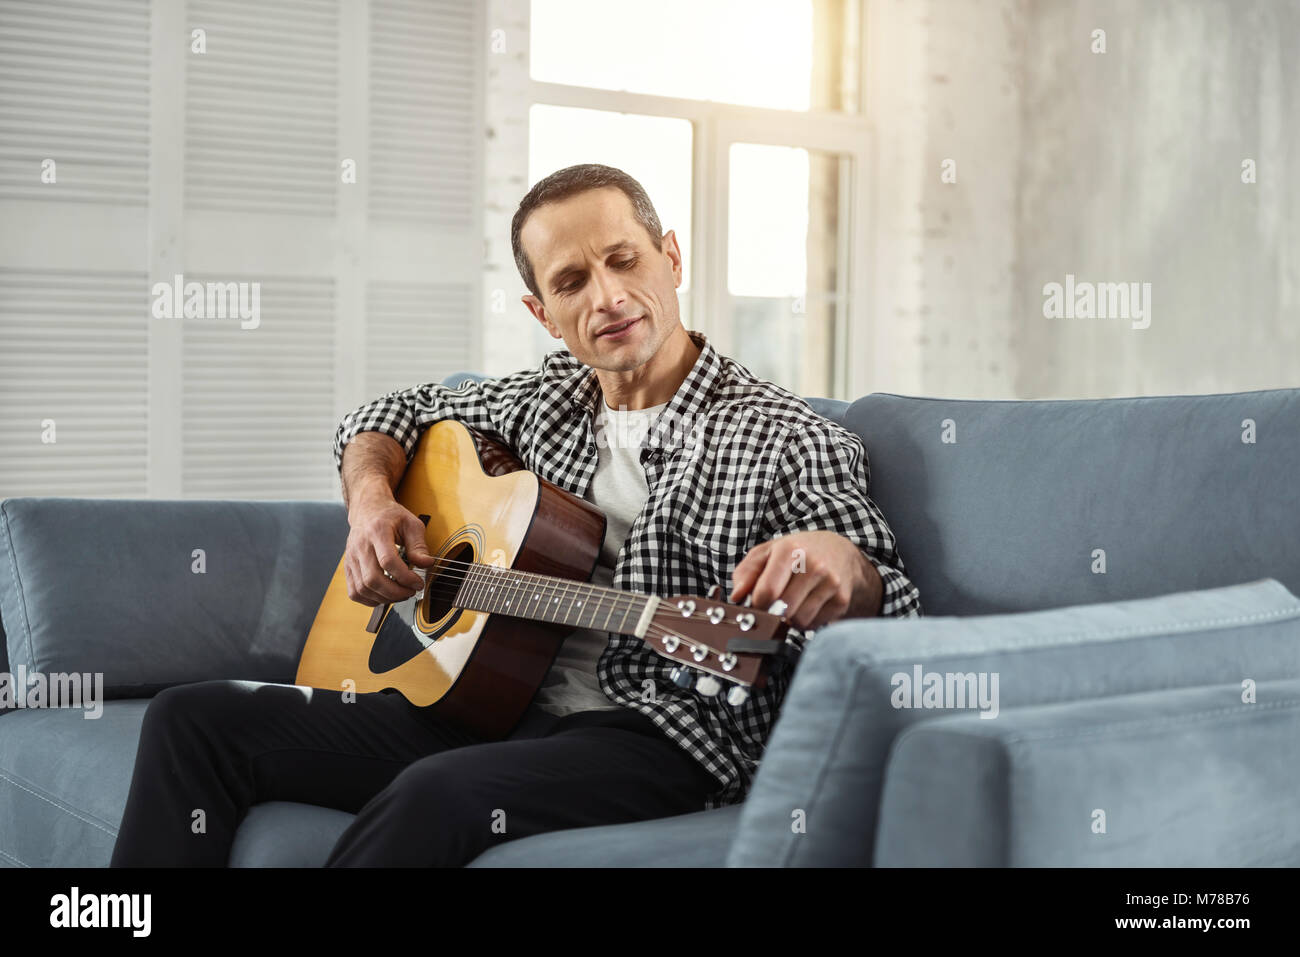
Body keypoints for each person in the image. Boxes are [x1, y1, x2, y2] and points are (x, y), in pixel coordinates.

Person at [110, 163, 921, 868]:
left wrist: (837, 566)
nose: (607, 296)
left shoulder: (787, 436)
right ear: (543, 313)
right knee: (197, 717)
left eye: (623, 260)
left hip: (654, 731)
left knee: (434, 795)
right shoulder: (541, 400)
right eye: (571, 281)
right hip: (484, 703)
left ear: (671, 258)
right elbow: (387, 412)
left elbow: (883, 587)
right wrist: (371, 503)